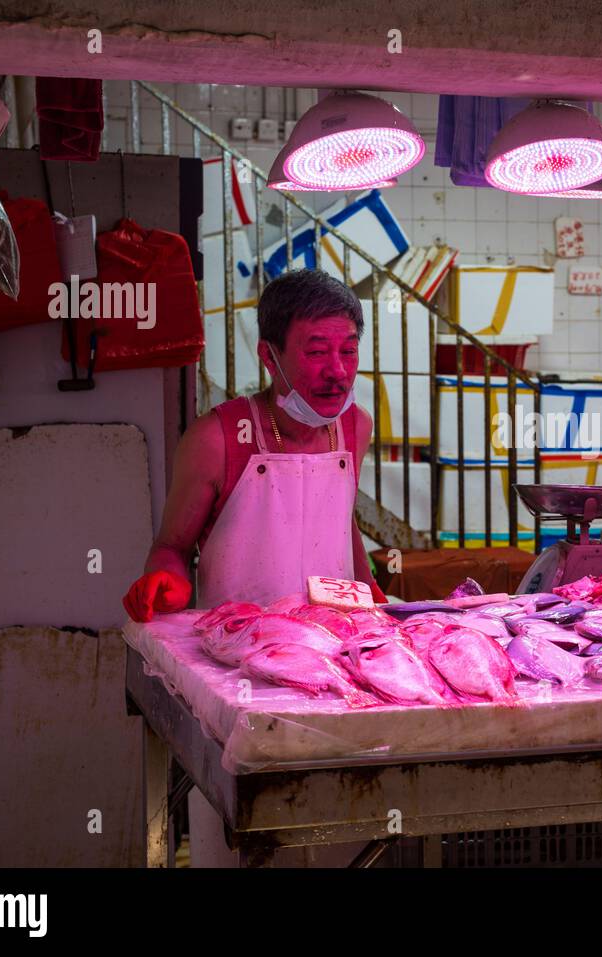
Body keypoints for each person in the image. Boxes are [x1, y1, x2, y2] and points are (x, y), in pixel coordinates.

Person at [122, 269, 386, 866]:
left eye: (348, 350)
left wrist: (372, 593)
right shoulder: (217, 437)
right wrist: (166, 581)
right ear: (270, 356)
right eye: (316, 351)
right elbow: (173, 546)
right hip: (239, 678)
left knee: (340, 833)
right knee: (242, 838)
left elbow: (339, 523)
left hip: (335, 676)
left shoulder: (356, 427)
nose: (337, 370)